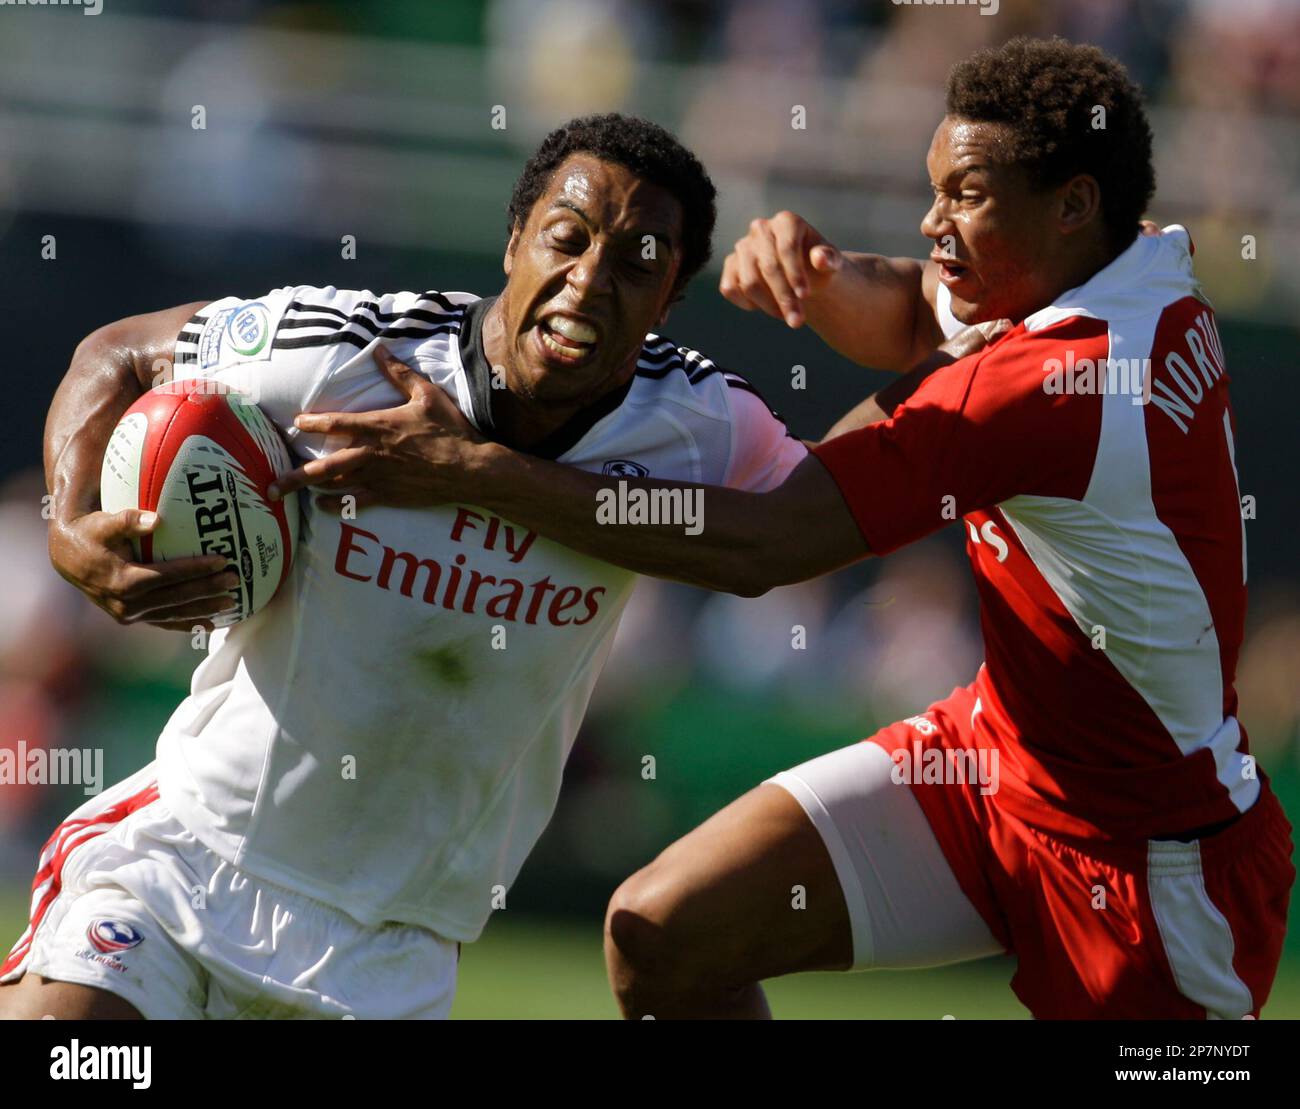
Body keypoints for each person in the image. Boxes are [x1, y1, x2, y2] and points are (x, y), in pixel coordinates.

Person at [270, 38, 1295, 1019]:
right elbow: (919, 307)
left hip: (1154, 864)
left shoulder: (1053, 385)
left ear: (1071, 206)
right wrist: (819, 274)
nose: (934, 225)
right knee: (666, 928)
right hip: (990, 766)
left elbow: (762, 540)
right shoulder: (1132, 269)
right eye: (933, 189)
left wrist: (477, 471)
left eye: (965, 197)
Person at [0, 114, 830, 1020]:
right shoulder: (348, 351)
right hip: (183, 861)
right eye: (567, 237)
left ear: (670, 297)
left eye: (637, 259)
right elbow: (114, 354)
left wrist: (919, 312)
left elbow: (794, 530)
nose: (589, 279)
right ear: (514, 240)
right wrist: (70, 522)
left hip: (392, 954)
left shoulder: (703, 427)